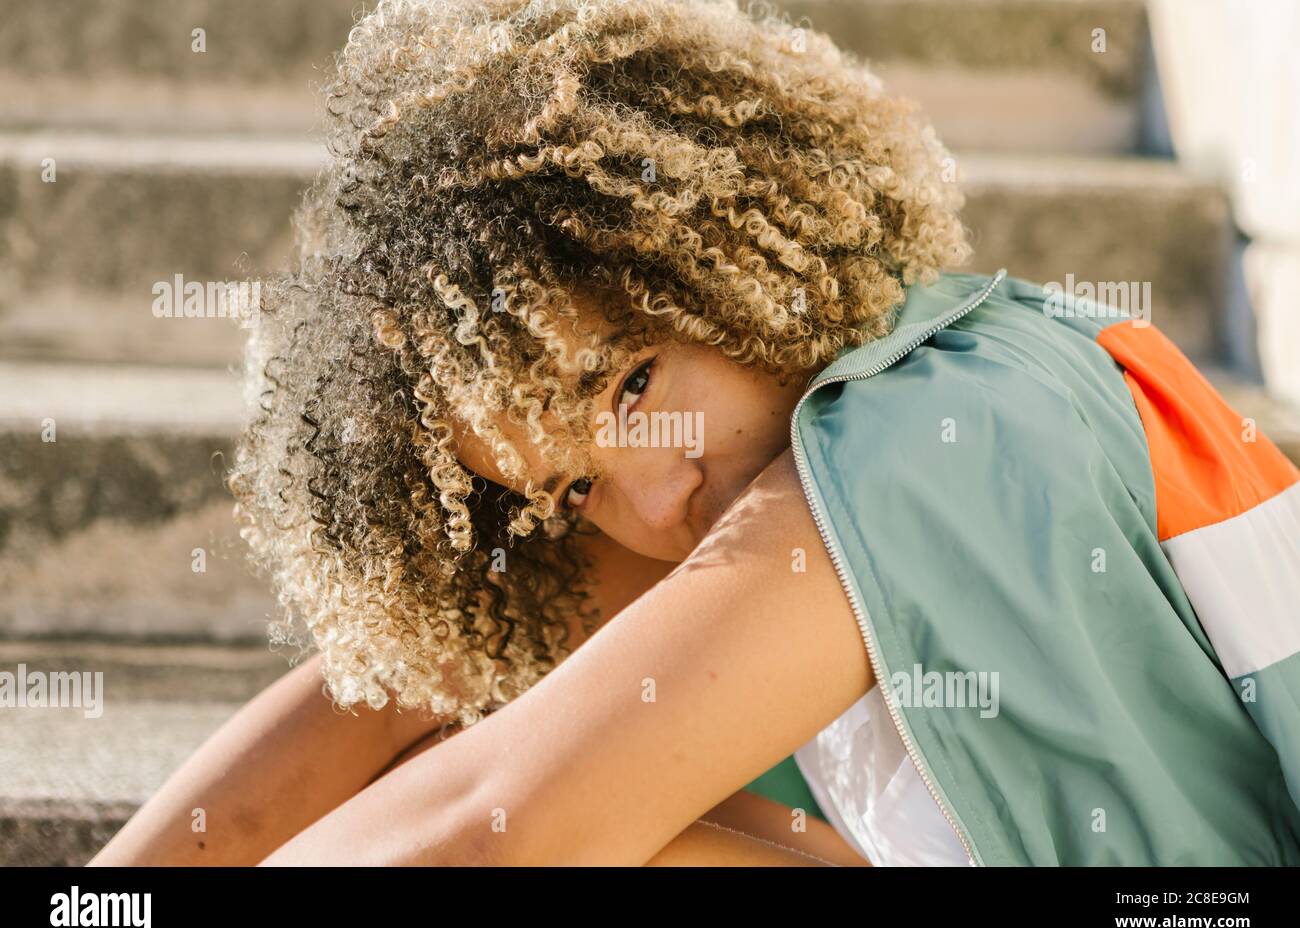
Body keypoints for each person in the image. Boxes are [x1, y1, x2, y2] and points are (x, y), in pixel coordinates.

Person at [92, 0, 1300, 867]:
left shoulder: (922, 433)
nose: (654, 497)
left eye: (628, 382)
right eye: (568, 486)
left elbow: (485, 831)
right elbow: (405, 691)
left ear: (715, 264)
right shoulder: (843, 405)